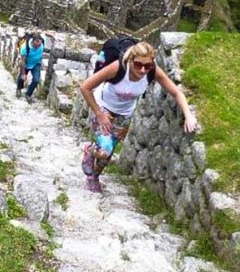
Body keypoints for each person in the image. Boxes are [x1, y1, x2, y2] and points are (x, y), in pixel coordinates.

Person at [79, 41, 197, 192]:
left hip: (125, 114)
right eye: (138, 64)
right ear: (130, 60)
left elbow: (176, 92)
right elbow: (85, 87)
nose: (142, 70)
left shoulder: (153, 71)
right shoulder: (118, 67)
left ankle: (93, 178)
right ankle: (89, 149)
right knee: (104, 150)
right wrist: (99, 114)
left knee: (111, 149)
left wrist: (188, 115)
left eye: (147, 66)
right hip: (104, 108)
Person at [15, 33, 46, 103]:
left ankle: (28, 94)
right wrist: (23, 73)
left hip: (36, 64)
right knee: (21, 77)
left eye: (39, 45)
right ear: (33, 41)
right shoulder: (25, 48)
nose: (38, 47)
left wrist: (53, 37)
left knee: (36, 80)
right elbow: (22, 62)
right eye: (36, 45)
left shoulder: (42, 42)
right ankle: (19, 89)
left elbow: (44, 32)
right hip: (26, 64)